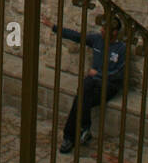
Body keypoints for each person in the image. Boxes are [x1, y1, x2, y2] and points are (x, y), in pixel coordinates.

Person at [41, 11, 126, 154]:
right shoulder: (97, 40)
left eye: (105, 30)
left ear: (115, 32)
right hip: (92, 83)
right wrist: (53, 26)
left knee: (81, 96)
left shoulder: (121, 49)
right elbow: (76, 36)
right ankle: (77, 132)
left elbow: (119, 75)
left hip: (108, 85)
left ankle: (76, 133)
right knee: (82, 93)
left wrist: (99, 74)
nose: (102, 31)